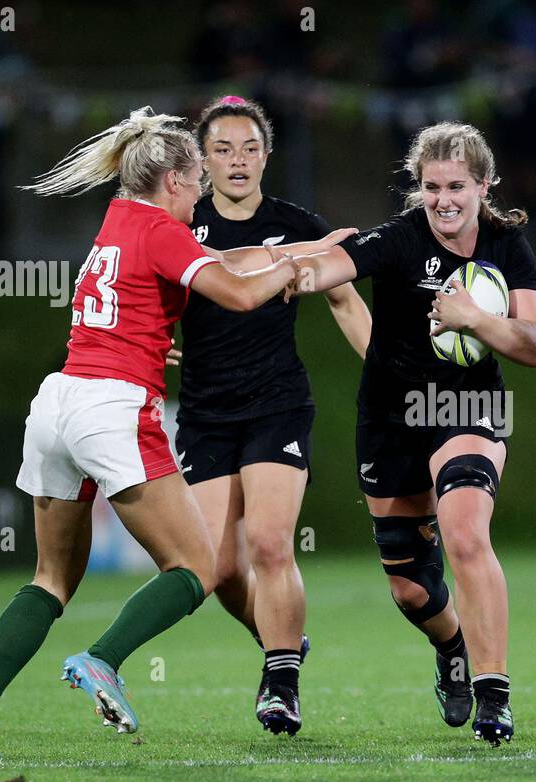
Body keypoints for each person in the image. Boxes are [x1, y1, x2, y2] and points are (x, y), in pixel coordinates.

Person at [0, 107, 349, 756]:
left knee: (50, 579)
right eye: (195, 179)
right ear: (171, 181)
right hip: (111, 409)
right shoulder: (165, 231)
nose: (199, 194)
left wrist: (298, 247)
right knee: (198, 565)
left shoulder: (116, 220)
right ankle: (104, 658)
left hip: (57, 401)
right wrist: (295, 266)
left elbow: (153, 288)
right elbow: (241, 293)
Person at [285, 122, 536, 744]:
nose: (444, 199)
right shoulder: (399, 239)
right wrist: (270, 271)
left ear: (484, 185)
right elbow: (326, 270)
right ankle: (452, 646)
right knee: (410, 590)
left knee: (463, 533)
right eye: (431, 186)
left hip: (468, 407)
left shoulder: (509, 247)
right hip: (390, 417)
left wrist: (476, 319)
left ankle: (493, 695)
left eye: (457, 185)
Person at [170, 96, 371, 736]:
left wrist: (390, 372)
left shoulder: (297, 224)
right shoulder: (179, 223)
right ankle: (282, 641)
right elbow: (148, 291)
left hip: (277, 404)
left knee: (269, 544)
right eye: (222, 150)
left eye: (249, 148)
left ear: (267, 155)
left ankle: (280, 681)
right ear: (201, 158)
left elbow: (343, 299)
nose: (237, 161)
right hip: (205, 410)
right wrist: (156, 335)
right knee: (216, 569)